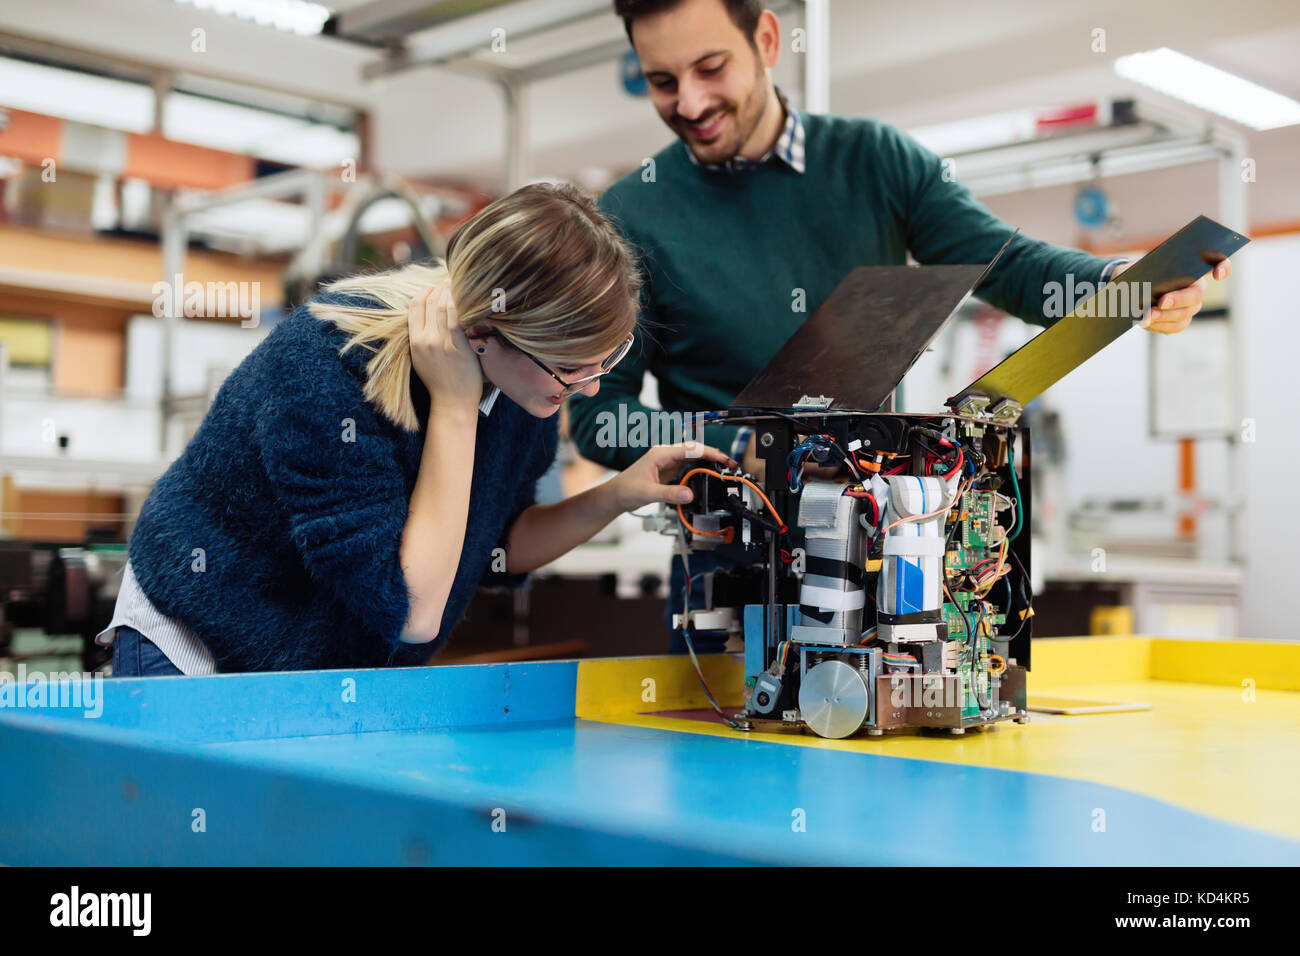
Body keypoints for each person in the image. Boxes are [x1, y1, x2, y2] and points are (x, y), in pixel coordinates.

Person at [568, 0, 1233, 654]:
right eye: (662, 82)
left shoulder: (874, 161)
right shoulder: (633, 213)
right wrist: (737, 447)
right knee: (720, 755)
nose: (689, 103)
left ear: (768, 41)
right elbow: (604, 418)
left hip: (881, 549)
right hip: (724, 563)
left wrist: (1116, 286)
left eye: (711, 68)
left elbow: (1006, 263)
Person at [99, 182, 736, 675]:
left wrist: (622, 492)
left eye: (610, 357)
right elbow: (409, 610)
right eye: (572, 367)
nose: (591, 388)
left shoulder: (523, 388)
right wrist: (456, 407)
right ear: (484, 335)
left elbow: (498, 546)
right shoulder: (326, 368)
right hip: (199, 642)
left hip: (326, 659)